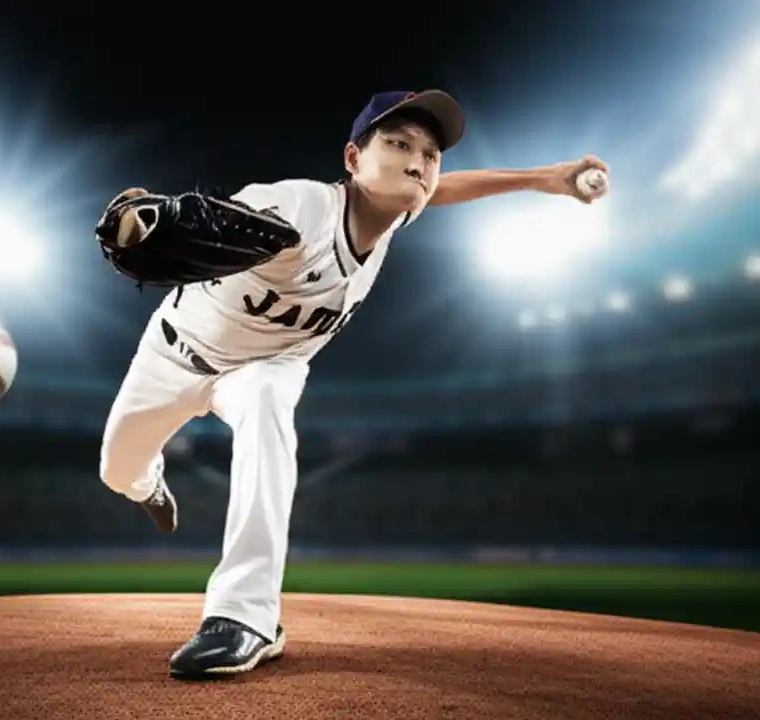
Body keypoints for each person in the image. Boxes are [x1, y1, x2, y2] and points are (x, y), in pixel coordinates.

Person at [96, 89, 609, 679]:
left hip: (264, 367)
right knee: (117, 470)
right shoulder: (300, 208)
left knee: (266, 401)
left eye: (429, 153)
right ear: (352, 159)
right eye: (398, 144)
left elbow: (444, 189)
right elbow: (233, 217)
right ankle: (148, 485)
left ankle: (244, 617)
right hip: (174, 357)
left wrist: (546, 178)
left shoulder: (395, 208)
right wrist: (158, 224)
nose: (418, 163)